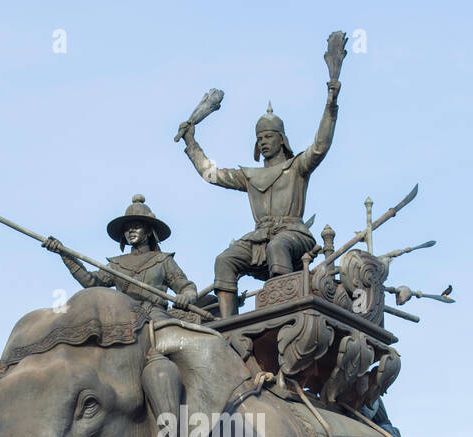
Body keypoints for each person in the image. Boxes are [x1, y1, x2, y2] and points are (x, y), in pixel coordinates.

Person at [180, 72, 340, 318]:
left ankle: (285, 308)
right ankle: (227, 323)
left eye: (268, 137)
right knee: (224, 259)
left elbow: (321, 144)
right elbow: (210, 174)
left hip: (293, 234)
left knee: (278, 246)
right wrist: (191, 143)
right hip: (259, 238)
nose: (263, 142)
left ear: (281, 139)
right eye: (259, 138)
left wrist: (331, 102)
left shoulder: (297, 167)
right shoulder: (249, 176)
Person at [42, 195, 197, 313]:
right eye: (127, 228)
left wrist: (185, 297)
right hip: (122, 314)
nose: (131, 231)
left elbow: (186, 287)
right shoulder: (117, 264)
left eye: (136, 226)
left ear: (149, 231)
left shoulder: (162, 261)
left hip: (154, 313)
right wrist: (64, 254)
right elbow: (91, 282)